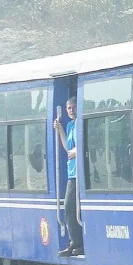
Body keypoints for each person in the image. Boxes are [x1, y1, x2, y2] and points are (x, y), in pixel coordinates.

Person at [53, 97, 83, 256]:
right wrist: (60, 131)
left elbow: (85, 144)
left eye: (74, 107)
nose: (71, 110)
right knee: (70, 208)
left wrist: (77, 151)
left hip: (80, 174)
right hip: (72, 173)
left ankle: (77, 243)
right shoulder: (71, 125)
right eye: (69, 108)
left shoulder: (81, 123)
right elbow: (68, 149)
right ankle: (75, 242)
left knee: (71, 207)